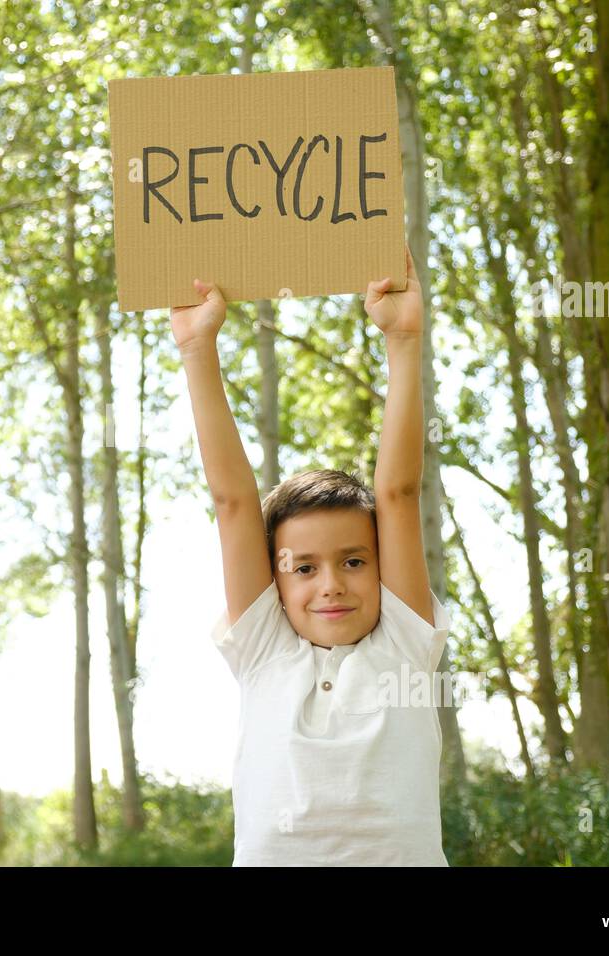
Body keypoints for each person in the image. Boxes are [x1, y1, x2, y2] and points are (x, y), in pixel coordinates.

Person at [172, 249, 452, 865]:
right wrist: (198, 349)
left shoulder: (404, 643)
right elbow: (234, 505)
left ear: (382, 566)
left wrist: (404, 340)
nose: (330, 585)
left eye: (354, 561)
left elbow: (398, 494)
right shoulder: (264, 649)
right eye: (304, 568)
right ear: (276, 579)